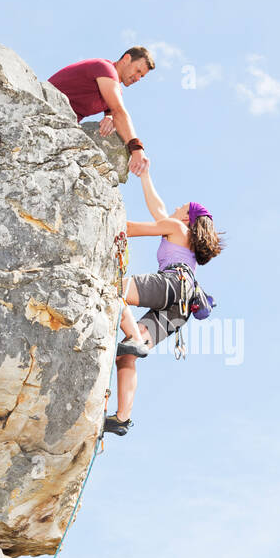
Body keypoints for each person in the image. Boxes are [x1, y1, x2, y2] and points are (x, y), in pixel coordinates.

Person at [103, 170, 223, 436]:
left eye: (180, 206)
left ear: (185, 217)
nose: (175, 206)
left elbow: (130, 229)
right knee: (126, 355)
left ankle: (135, 338)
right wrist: (145, 176)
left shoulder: (176, 227)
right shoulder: (181, 233)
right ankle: (122, 418)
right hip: (181, 309)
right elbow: (159, 210)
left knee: (113, 290)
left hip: (173, 283)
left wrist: (104, 214)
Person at [48, 47, 155, 175]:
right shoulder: (104, 68)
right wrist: (137, 149)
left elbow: (114, 110)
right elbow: (118, 111)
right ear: (126, 59)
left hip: (60, 128)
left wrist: (110, 116)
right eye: (138, 70)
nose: (138, 78)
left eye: (141, 76)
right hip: (45, 106)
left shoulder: (115, 89)